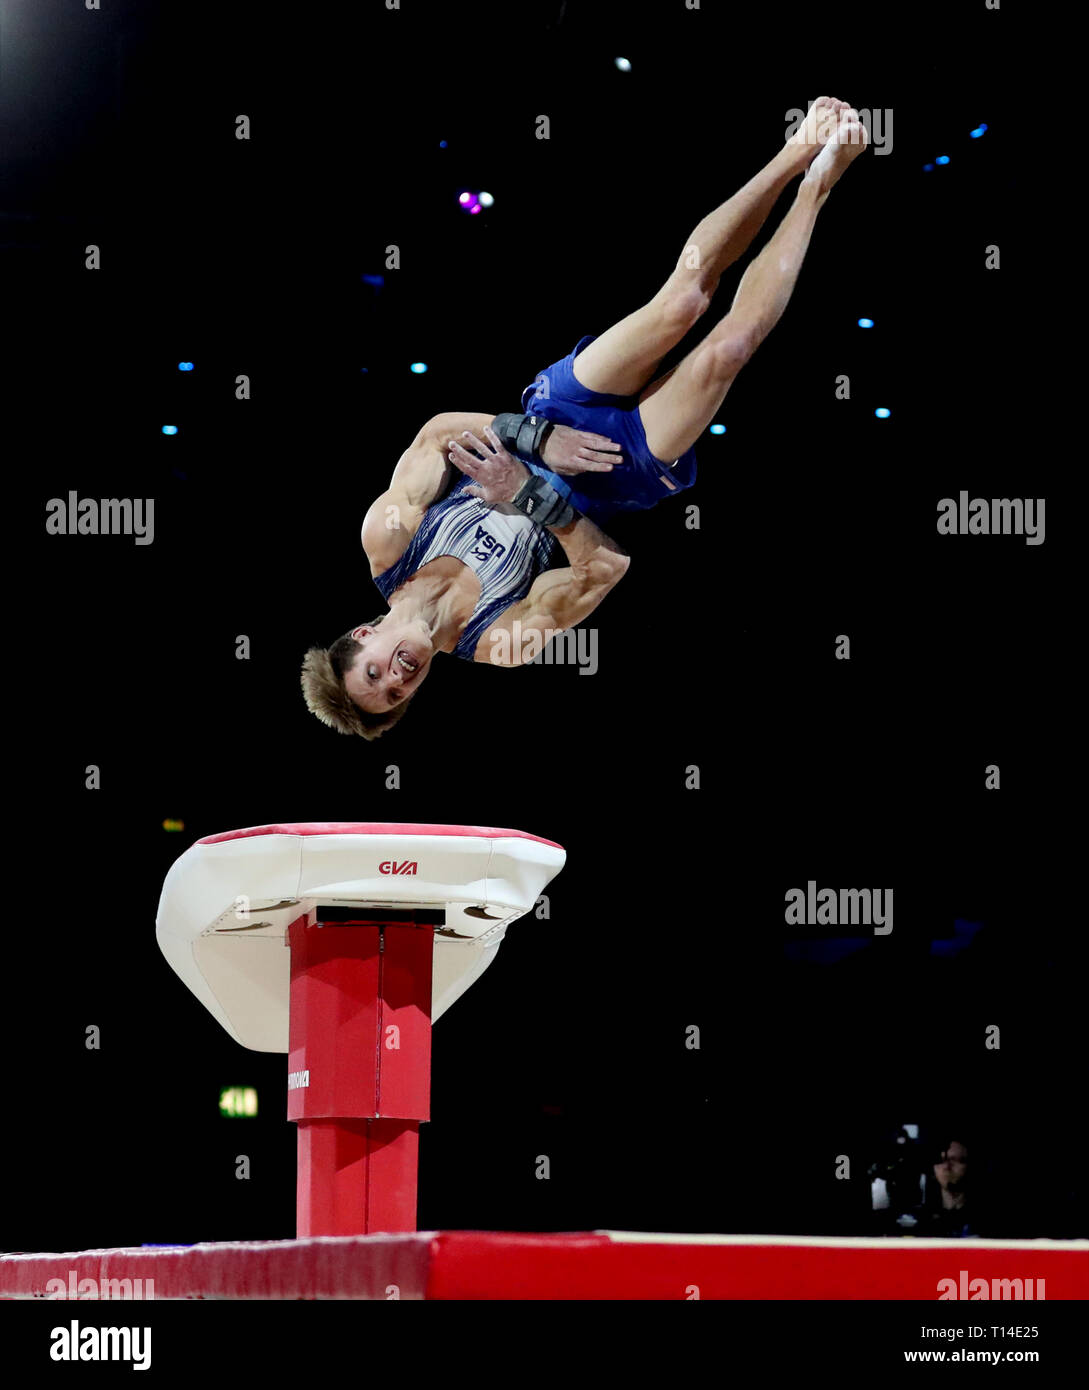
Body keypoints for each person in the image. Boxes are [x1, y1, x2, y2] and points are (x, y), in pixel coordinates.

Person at [302, 99, 868, 738]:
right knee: (726, 351)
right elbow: (606, 569)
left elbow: (436, 431)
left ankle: (794, 153)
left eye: (373, 674)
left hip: (549, 418)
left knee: (680, 301)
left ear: (362, 635)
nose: (396, 677)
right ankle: (819, 184)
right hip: (607, 481)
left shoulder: (387, 539)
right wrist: (528, 494)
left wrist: (535, 436)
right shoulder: (500, 642)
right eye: (396, 694)